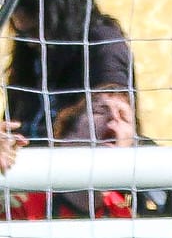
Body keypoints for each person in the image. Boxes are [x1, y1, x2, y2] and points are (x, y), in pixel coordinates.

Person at [7, 0, 134, 142]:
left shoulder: (103, 47)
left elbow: (113, 126)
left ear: (60, 17)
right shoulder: (31, 53)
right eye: (22, 34)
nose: (30, 42)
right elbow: (14, 118)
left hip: (76, 161)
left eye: (35, 31)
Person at [3, 90, 161, 220]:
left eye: (124, 117)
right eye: (99, 111)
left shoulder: (123, 216)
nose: (114, 117)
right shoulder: (19, 201)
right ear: (65, 138)